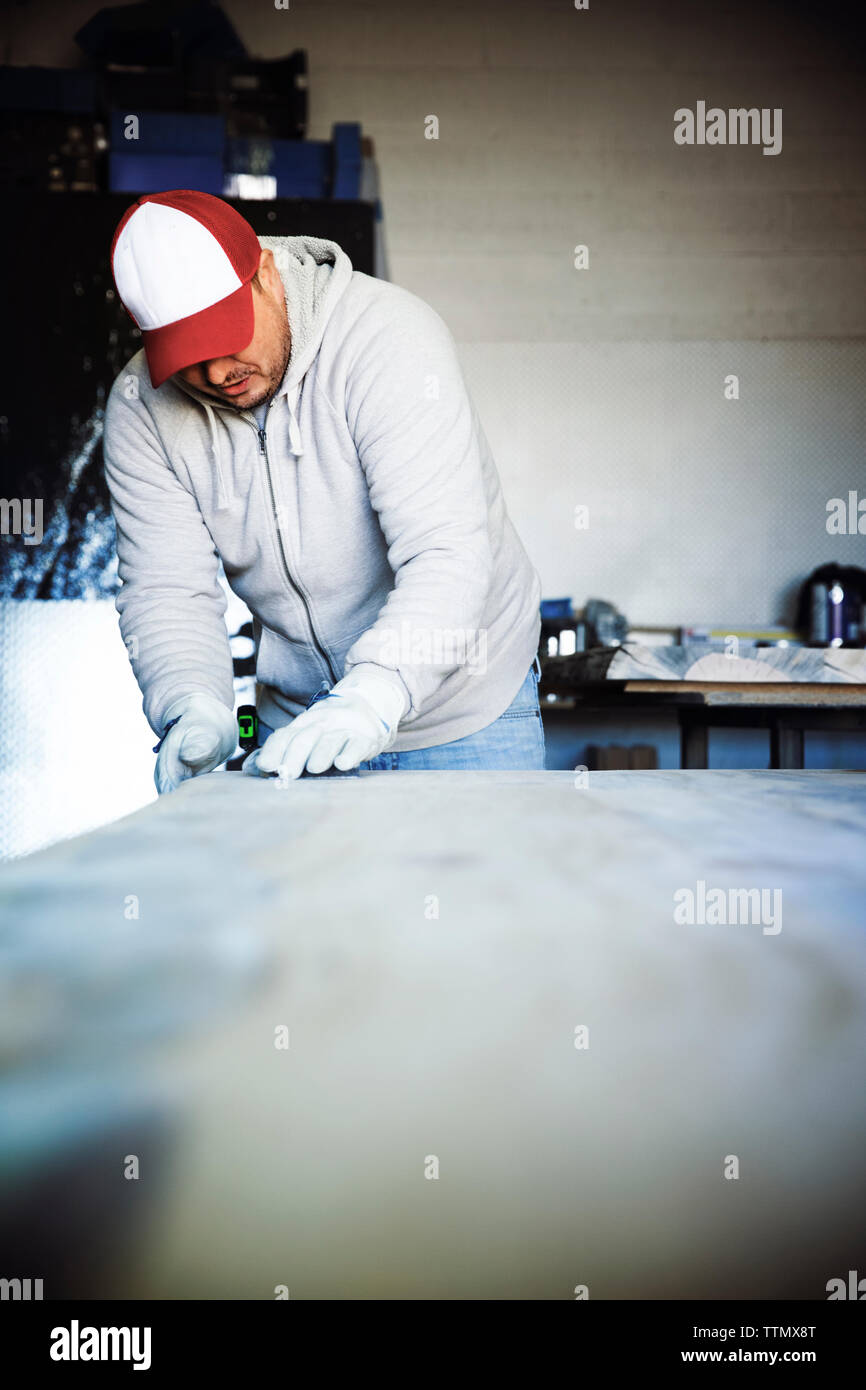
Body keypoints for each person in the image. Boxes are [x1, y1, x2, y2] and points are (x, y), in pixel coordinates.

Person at [104, 190, 543, 792]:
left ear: (265, 274)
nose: (216, 373)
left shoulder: (388, 337)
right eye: (187, 355)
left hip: (467, 715)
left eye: (226, 337)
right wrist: (190, 701)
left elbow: (445, 551)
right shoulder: (142, 407)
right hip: (298, 726)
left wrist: (374, 694)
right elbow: (166, 587)